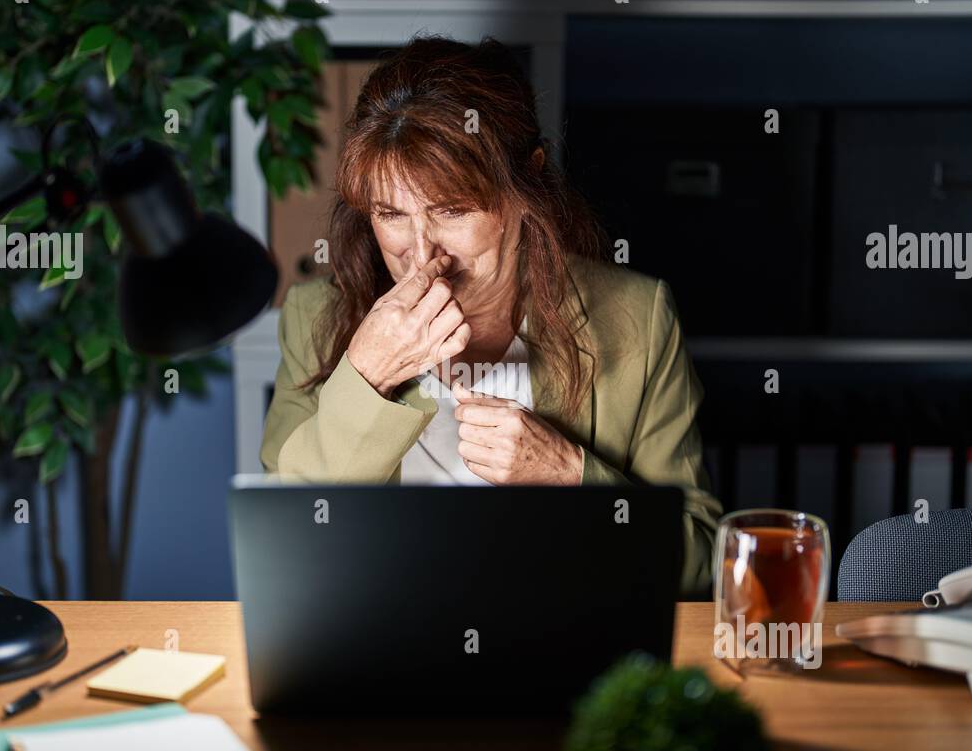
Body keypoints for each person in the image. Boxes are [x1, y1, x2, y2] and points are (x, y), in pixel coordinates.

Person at [260, 36, 721, 594]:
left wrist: (571, 477)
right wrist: (366, 377)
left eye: (452, 210)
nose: (423, 252)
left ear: (526, 184)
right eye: (390, 213)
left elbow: (702, 565)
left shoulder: (638, 316)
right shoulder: (314, 317)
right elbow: (282, 549)